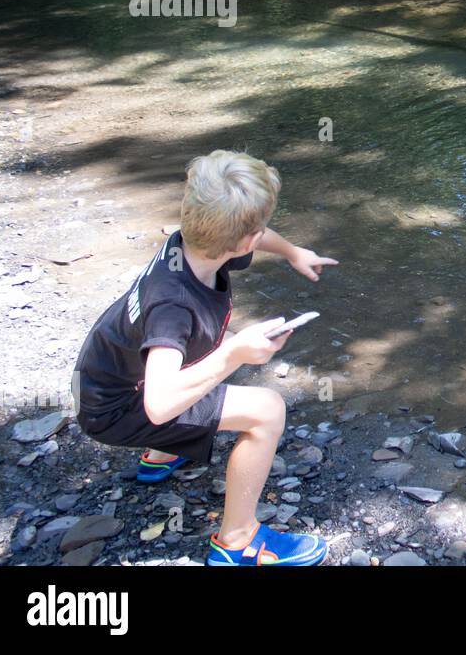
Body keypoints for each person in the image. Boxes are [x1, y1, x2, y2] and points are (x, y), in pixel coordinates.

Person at [72, 150, 337, 566]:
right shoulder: (175, 306)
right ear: (242, 241)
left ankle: (163, 454)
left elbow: (254, 234)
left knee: (210, 347)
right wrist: (234, 354)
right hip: (119, 407)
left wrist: (292, 251)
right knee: (267, 409)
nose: (260, 238)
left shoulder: (194, 243)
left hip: (105, 377)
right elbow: (158, 406)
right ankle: (238, 542)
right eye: (259, 232)